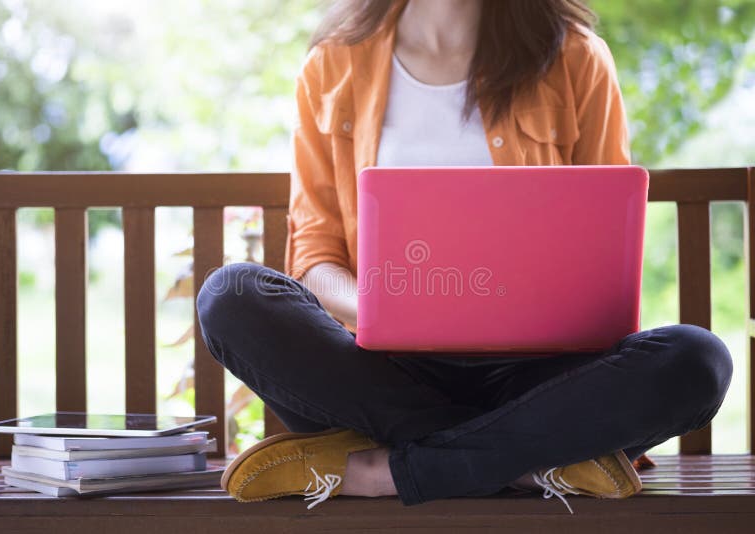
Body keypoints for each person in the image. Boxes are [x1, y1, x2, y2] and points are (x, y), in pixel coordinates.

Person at [196, 0, 733, 513]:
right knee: (231, 295)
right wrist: (382, 309)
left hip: (539, 376)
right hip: (388, 378)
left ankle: (386, 472)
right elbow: (315, 255)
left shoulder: (576, 56)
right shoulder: (332, 65)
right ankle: (532, 461)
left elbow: (605, 244)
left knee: (697, 360)